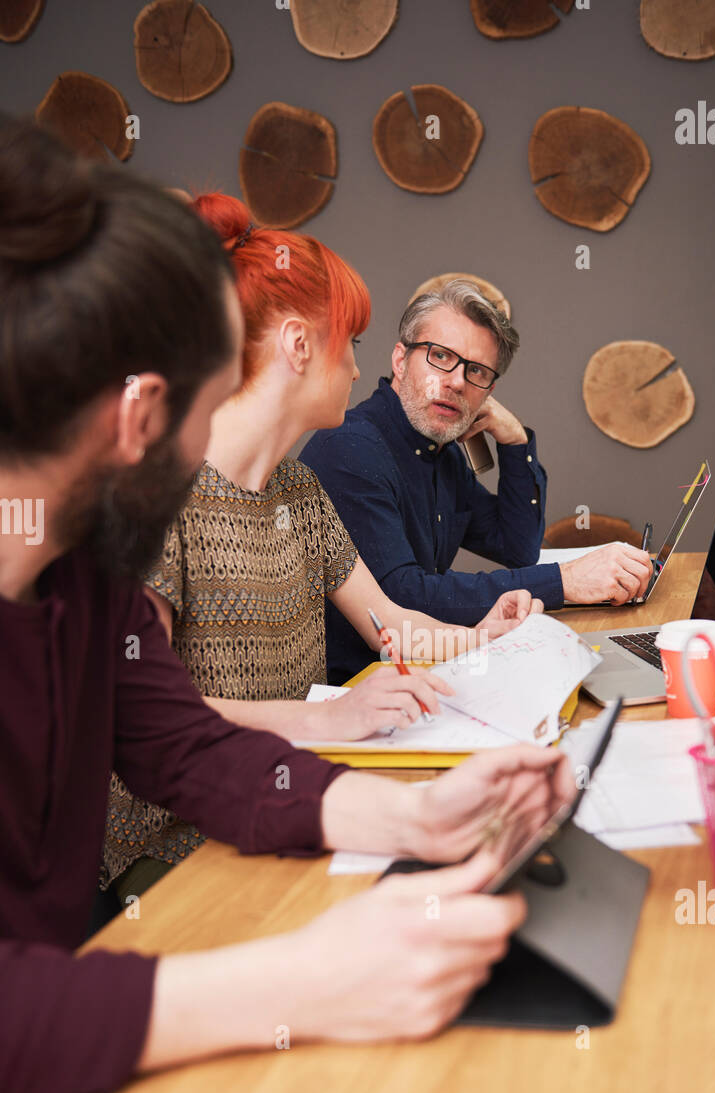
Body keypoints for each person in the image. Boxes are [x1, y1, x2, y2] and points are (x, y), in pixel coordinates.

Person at [0, 117, 575, 1093]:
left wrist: (411, 812)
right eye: (213, 402)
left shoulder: (86, 573)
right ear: (140, 418)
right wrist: (305, 979)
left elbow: (181, 746)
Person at [101, 196, 542, 904]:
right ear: (300, 346)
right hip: (171, 846)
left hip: (283, 796)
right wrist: (323, 717)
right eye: (354, 342)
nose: (360, 366)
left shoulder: (299, 491)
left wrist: (478, 639)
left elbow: (387, 623)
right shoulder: (154, 497)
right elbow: (139, 712)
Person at [301, 278, 655, 682]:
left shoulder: (441, 448)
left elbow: (516, 546)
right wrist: (567, 581)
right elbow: (402, 595)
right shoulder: (350, 447)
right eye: (440, 356)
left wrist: (516, 442)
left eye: (476, 371)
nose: (456, 382)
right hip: (355, 689)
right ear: (400, 359)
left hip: (426, 673)